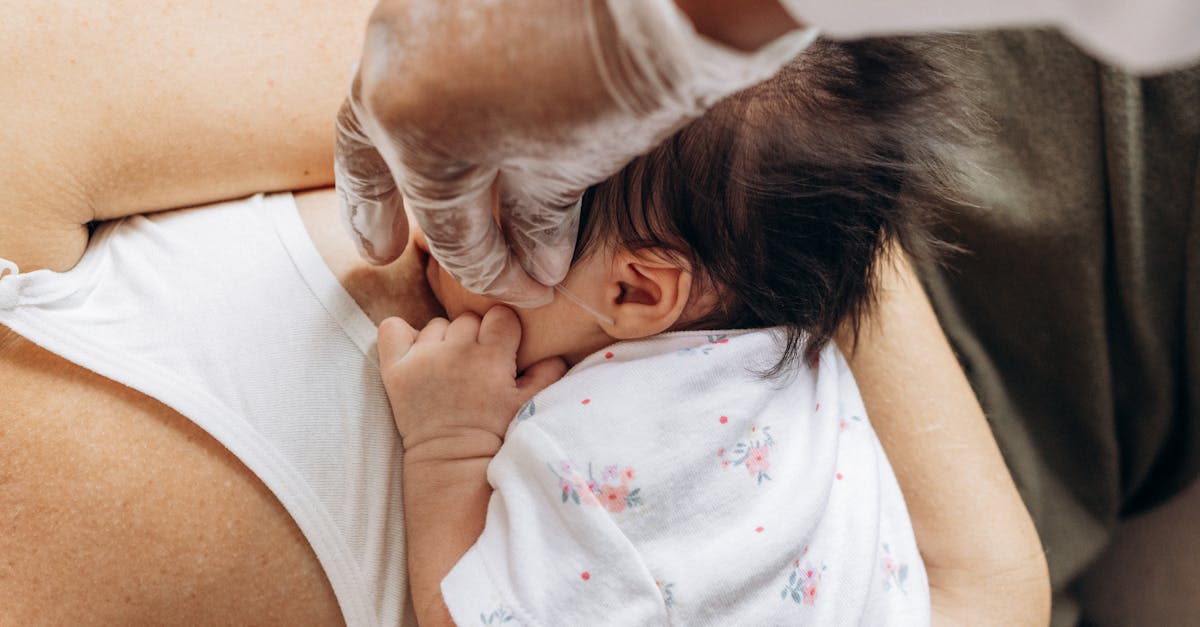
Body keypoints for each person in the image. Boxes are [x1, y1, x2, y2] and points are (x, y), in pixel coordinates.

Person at [0, 2, 1044, 625]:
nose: (425, 242)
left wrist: (724, 52)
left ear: (642, 293)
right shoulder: (615, 453)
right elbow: (987, 598)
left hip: (870, 107)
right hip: (866, 213)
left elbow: (517, 56)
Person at [379, 40, 975, 625]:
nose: (428, 226)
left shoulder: (599, 457)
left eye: (480, 214)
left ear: (636, 291)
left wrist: (450, 442)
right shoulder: (803, 358)